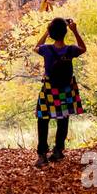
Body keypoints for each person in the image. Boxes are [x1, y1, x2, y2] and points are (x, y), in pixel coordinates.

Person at [33, 17, 85, 167]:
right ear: (65, 33)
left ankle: (42, 154)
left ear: (51, 34)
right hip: (65, 90)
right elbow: (83, 48)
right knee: (63, 119)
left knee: (43, 119)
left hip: (49, 88)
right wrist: (75, 31)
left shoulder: (46, 49)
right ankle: (58, 150)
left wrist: (45, 33)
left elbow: (36, 47)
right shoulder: (70, 50)